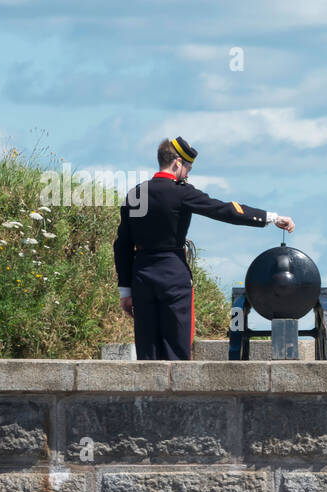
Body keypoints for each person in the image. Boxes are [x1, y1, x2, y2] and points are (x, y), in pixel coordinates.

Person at [114, 136, 295, 360]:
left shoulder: (135, 194)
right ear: (177, 163)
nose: (188, 173)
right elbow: (225, 210)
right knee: (176, 351)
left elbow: (122, 245)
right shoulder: (182, 193)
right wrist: (271, 217)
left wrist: (125, 290)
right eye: (188, 167)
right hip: (173, 275)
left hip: (141, 276)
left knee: (147, 352)